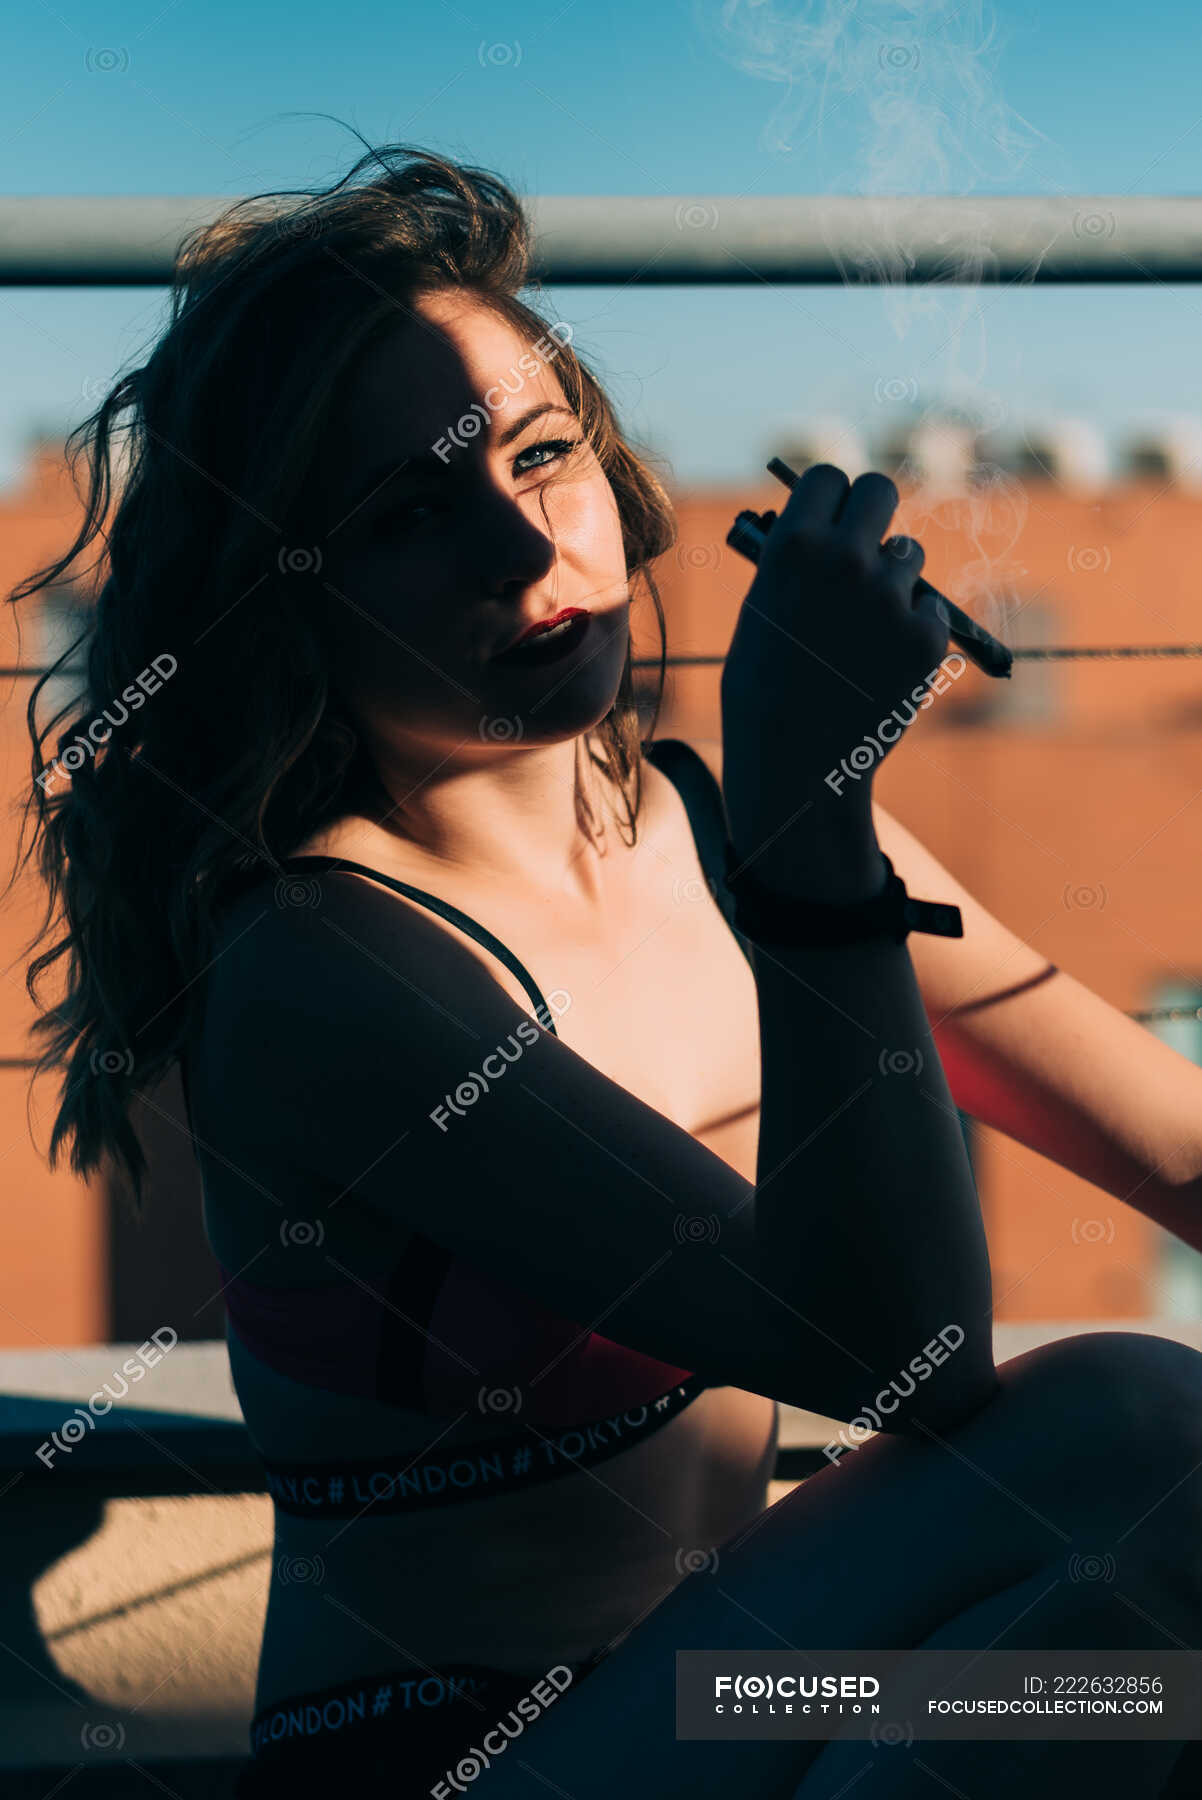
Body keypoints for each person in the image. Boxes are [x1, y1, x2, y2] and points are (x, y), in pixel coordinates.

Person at [12, 140, 1202, 1799]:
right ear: (279, 595)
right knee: (1133, 1426)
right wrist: (812, 828)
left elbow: (1176, 1145)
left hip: (730, 1706)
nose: (522, 546)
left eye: (543, 454)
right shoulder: (323, 964)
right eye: (410, 512)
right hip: (462, 1759)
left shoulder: (712, 830)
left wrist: (792, 834)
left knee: (1147, 1672)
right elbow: (897, 1361)